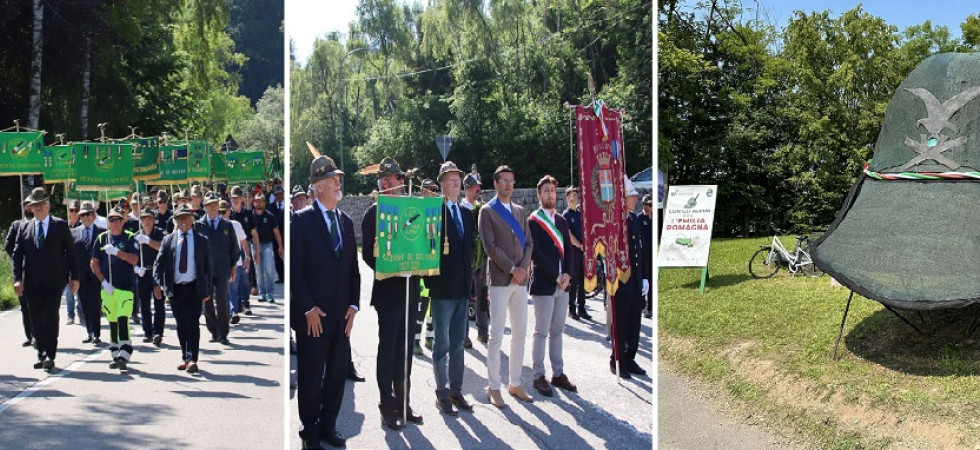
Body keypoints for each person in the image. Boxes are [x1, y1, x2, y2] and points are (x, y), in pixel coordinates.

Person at [292, 155, 359, 449]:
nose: (338, 183)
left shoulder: (345, 221)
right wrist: (308, 308)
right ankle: (310, 431)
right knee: (311, 377)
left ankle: (329, 425)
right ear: (319, 186)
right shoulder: (301, 220)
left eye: (338, 178)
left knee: (335, 376)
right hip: (314, 318)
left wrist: (354, 306)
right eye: (333, 179)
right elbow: (295, 271)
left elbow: (353, 268)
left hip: (341, 316)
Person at [361, 157, 422, 429]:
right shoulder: (374, 213)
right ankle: (386, 404)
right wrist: (393, 264)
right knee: (388, 349)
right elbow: (369, 255)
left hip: (410, 289)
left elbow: (420, 244)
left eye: (396, 178)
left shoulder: (411, 209)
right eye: (387, 179)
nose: (395, 182)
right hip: (388, 291)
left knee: (405, 350)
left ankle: (402, 401)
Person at [479, 165, 534, 407]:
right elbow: (490, 247)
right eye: (504, 180)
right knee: (497, 336)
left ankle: (516, 382)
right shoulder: (487, 211)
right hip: (501, 281)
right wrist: (513, 269)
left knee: (520, 334)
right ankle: (494, 386)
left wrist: (523, 268)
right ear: (495, 183)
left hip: (520, 282)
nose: (509, 184)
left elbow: (529, 243)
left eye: (512, 180)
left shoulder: (520, 211)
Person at [12, 187, 80, 372]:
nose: (38, 207)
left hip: (54, 281)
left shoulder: (60, 225)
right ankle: (40, 352)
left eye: (41, 204)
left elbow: (71, 252)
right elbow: (17, 255)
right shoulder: (24, 227)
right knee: (36, 318)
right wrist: (17, 279)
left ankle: (50, 354)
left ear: (48, 205)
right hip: (32, 282)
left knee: (50, 316)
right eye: (35, 205)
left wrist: (75, 276)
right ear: (30, 208)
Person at [427, 162, 476, 417]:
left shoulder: (467, 213)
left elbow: (469, 251)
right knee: (442, 345)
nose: (456, 182)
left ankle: (457, 391)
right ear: (441, 184)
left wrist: (471, 286)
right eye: (450, 179)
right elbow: (426, 248)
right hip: (443, 289)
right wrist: (430, 282)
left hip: (462, 289)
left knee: (458, 344)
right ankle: (442, 393)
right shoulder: (433, 212)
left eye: (458, 178)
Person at [528, 175, 578, 397]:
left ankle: (558, 373)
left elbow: (569, 250)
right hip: (544, 284)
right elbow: (536, 254)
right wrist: (556, 275)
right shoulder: (533, 221)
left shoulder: (561, 221)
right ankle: (538, 375)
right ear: (539, 195)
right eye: (546, 190)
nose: (550, 194)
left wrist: (568, 273)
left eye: (553, 190)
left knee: (557, 332)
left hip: (562, 285)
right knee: (541, 332)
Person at [153, 203, 213, 374]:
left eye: (186, 217)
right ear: (176, 221)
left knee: (193, 323)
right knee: (181, 324)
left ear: (192, 219)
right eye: (180, 218)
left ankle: (192, 359)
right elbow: (158, 264)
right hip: (176, 288)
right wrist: (158, 283)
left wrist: (208, 290)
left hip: (194, 287)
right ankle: (185, 357)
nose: (183, 221)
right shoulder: (169, 240)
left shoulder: (201, 240)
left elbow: (208, 268)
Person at [610, 178, 650, 379]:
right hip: (621, 280)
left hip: (636, 279)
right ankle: (617, 360)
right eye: (632, 196)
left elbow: (641, 250)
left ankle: (630, 357)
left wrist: (645, 277)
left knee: (635, 321)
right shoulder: (615, 221)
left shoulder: (634, 219)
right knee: (621, 322)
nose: (636, 199)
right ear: (623, 198)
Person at [91, 206, 140, 370]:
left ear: (122, 221)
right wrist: (103, 282)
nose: (115, 222)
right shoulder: (101, 239)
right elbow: (94, 263)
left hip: (125, 287)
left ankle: (125, 351)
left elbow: (134, 259)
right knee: (112, 321)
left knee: (122, 318)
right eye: (111, 219)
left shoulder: (130, 237)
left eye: (118, 219)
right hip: (108, 288)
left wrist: (117, 252)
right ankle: (115, 352)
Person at [198, 192, 240, 345]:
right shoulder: (198, 225)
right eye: (210, 205)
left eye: (215, 204)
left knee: (222, 300)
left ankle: (223, 333)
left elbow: (234, 247)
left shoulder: (226, 225)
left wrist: (233, 266)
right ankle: (213, 331)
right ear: (205, 207)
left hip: (222, 268)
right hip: (205, 270)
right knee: (207, 300)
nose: (213, 207)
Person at [460, 172, 489, 345]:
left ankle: (483, 332)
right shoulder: (461, 209)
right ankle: (464, 335)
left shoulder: (482, 209)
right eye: (476, 187)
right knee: (466, 297)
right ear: (468, 188)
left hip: (482, 259)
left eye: (478, 187)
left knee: (482, 296)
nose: (479, 190)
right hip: (467, 259)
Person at [72, 201, 105, 345]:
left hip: (96, 274)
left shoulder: (102, 232)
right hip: (81, 275)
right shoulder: (74, 232)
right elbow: (70, 255)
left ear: (93, 215)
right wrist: (71, 274)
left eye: (88, 214)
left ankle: (96, 333)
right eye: (82, 215)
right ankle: (89, 332)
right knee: (84, 304)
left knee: (95, 303)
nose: (85, 217)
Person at [6, 197, 36, 347]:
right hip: (23, 273)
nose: (29, 208)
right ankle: (30, 335)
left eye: (31, 205)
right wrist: (19, 259)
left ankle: (39, 335)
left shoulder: (40, 225)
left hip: (39, 272)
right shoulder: (17, 225)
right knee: (25, 307)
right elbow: (8, 246)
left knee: (38, 306)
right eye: (27, 205)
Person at [135, 206, 166, 346]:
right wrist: (136, 268)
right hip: (143, 272)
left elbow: (163, 247)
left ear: (154, 220)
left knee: (159, 302)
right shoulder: (136, 236)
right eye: (143, 219)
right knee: (144, 304)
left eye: (149, 218)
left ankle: (158, 332)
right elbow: (132, 255)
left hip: (157, 272)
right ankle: (148, 332)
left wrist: (148, 241)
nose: (146, 221)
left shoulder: (160, 233)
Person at [563, 187, 591, 320]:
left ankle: (582, 307)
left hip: (583, 252)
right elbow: (568, 234)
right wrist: (579, 245)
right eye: (571, 195)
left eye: (575, 195)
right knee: (573, 281)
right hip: (573, 252)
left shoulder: (580, 214)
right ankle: (571, 308)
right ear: (567, 198)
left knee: (582, 280)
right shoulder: (566, 215)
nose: (574, 197)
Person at [222, 200, 250, 325]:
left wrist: (247, 256)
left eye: (225, 211)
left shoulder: (236, 225)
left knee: (232, 289)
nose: (222, 214)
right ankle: (229, 312)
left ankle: (233, 312)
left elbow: (244, 241)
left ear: (229, 212)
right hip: (221, 264)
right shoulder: (215, 226)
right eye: (220, 212)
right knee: (224, 291)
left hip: (236, 262)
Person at [252, 193, 282, 303]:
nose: (258, 203)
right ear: (253, 203)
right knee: (258, 271)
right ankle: (262, 293)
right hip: (255, 246)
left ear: (264, 203)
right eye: (257, 201)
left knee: (269, 269)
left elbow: (276, 231)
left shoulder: (270, 216)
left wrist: (280, 246)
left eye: (261, 201)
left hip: (268, 245)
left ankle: (270, 293)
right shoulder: (251, 216)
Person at [64, 199, 82, 326]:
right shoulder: (64, 227)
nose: (74, 213)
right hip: (67, 263)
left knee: (81, 290)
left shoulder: (82, 226)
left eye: (76, 210)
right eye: (71, 210)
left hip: (80, 263)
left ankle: (81, 312)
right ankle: (70, 315)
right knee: (69, 291)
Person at [639, 194, 654, 319]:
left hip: (653, 253)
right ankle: (643, 306)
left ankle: (651, 307)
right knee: (644, 280)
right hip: (643, 255)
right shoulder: (640, 218)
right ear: (644, 205)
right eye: (649, 204)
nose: (651, 206)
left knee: (652, 280)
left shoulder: (653, 218)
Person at [268, 185, 286, 284]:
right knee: (277, 256)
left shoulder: (287, 206)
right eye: (277, 194)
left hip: (286, 234)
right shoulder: (270, 207)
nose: (279, 196)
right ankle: (281, 276)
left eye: (280, 194)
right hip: (275, 236)